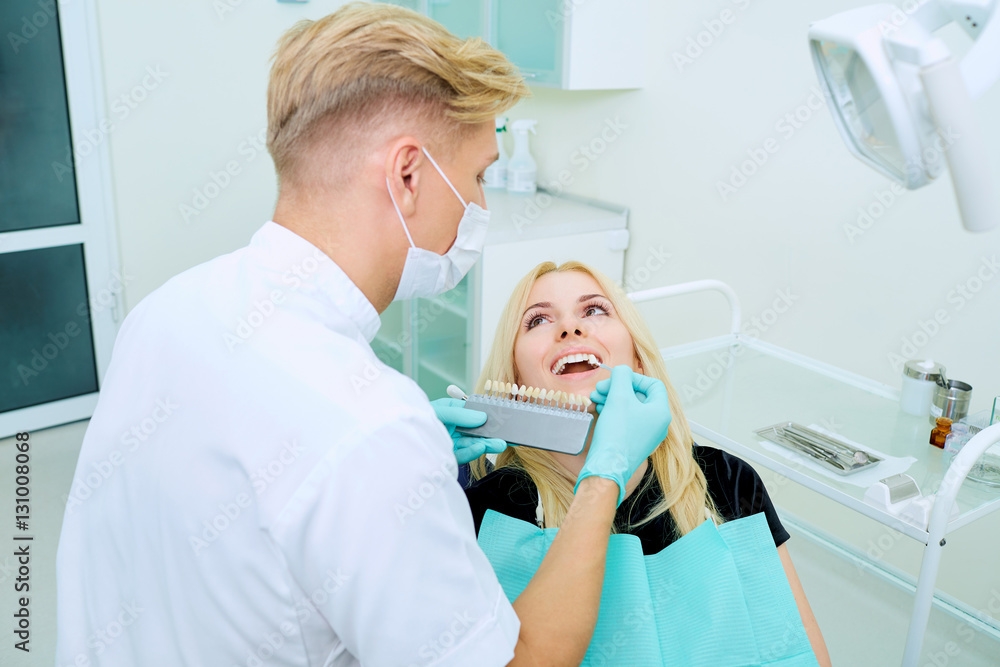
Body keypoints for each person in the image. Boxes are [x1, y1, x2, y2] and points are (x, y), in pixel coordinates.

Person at [54, 4, 672, 666]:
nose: (481, 207)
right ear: (408, 175)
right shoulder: (373, 427)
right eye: (478, 176)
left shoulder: (166, 310)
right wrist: (604, 475)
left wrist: (404, 452)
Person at [463, 261, 834, 666]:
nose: (570, 329)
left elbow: (804, 655)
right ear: (515, 382)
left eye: (594, 310)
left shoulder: (727, 481)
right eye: (537, 320)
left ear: (637, 358)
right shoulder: (489, 510)